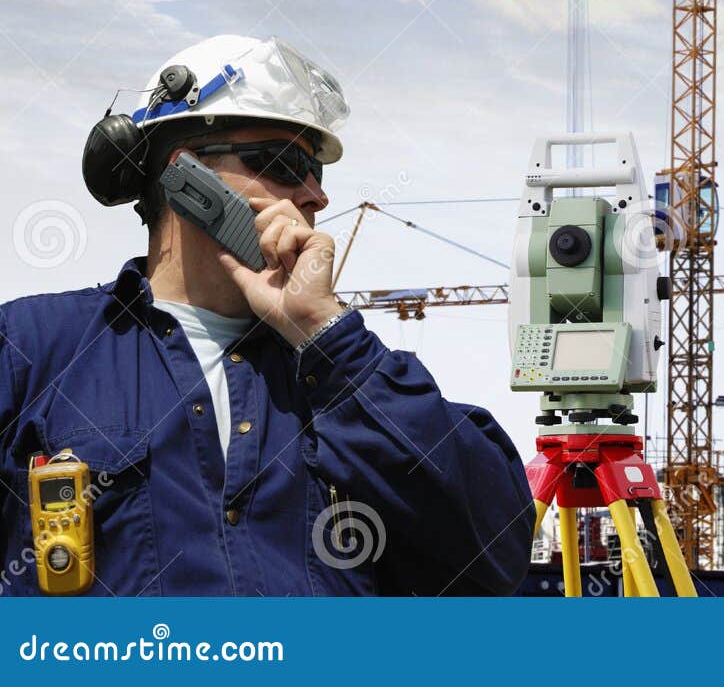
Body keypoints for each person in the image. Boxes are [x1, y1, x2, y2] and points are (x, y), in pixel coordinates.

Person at [0, 35, 536, 595]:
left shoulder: (349, 378)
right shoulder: (31, 351)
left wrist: (326, 337)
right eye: (284, 163)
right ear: (188, 179)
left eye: (317, 173)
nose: (314, 196)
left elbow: (494, 558)